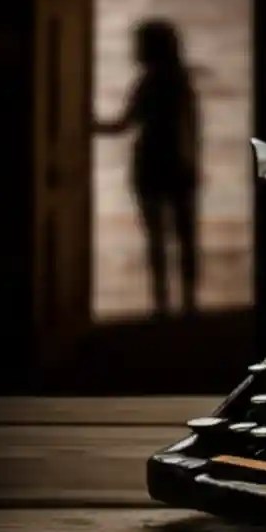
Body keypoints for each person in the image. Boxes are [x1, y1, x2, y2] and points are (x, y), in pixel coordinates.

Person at [95, 19, 201, 320]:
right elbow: (191, 129)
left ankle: (163, 303)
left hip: (151, 163)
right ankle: (187, 303)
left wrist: (86, 123)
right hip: (176, 164)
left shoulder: (148, 83)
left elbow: (123, 124)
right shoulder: (179, 82)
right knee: (184, 236)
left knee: (158, 238)